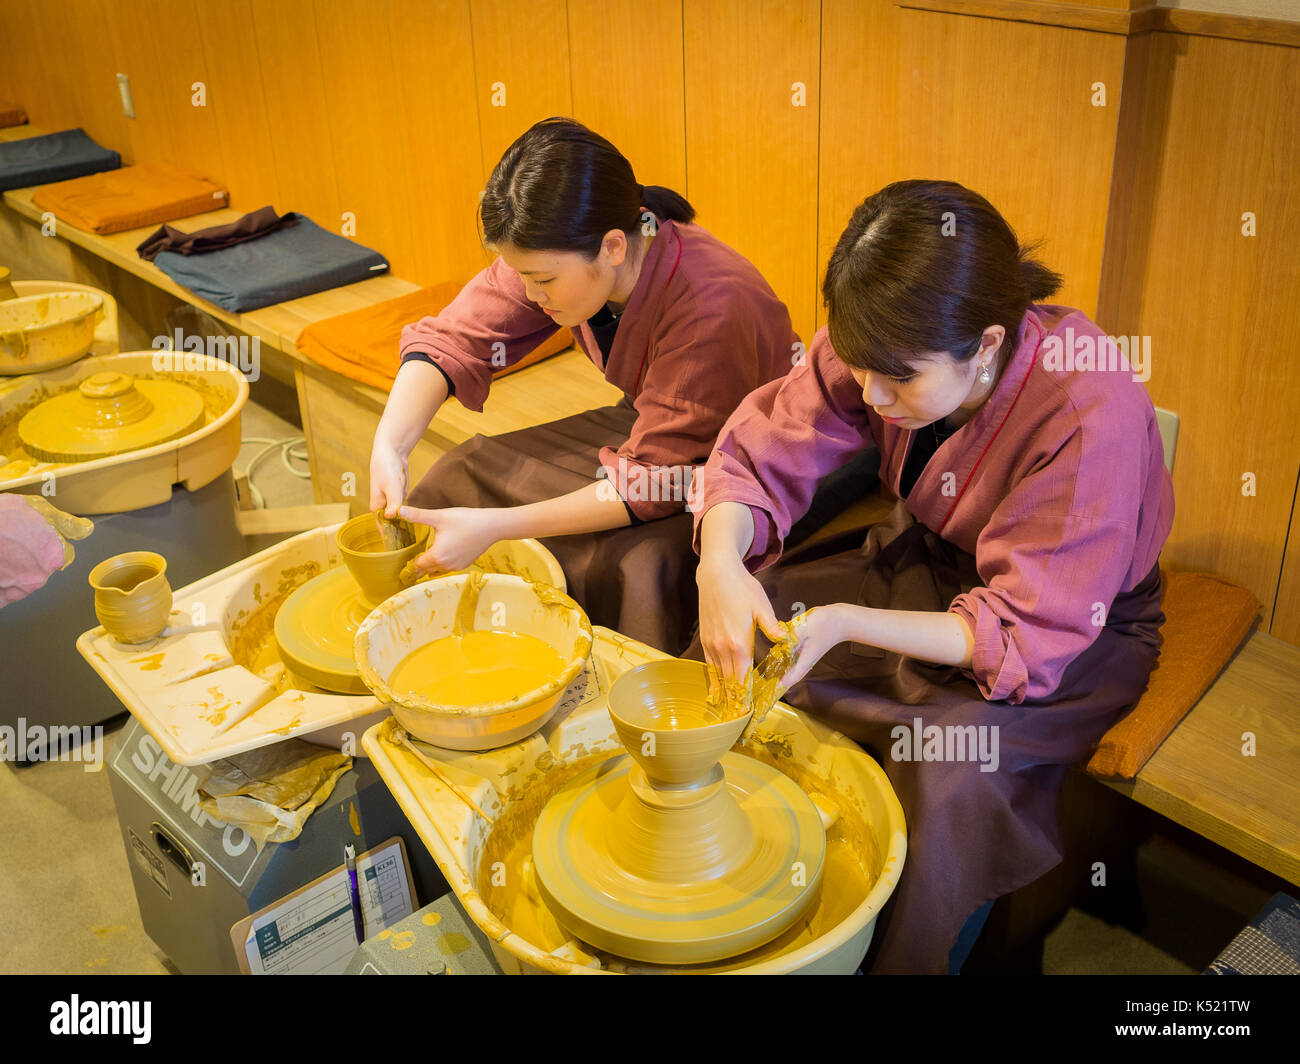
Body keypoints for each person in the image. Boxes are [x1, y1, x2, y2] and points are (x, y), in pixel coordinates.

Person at [690, 179, 1174, 973]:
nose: (872, 398)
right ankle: (733, 894)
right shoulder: (890, 340)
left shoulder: (1092, 414)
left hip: (1072, 628)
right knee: (747, 639)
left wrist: (843, 622)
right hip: (929, 559)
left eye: (899, 381)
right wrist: (717, 559)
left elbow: (1022, 630)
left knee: (949, 773)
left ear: (985, 345)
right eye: (860, 370)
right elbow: (759, 451)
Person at [370, 117, 800, 653]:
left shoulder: (711, 305)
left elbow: (651, 482)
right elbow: (456, 337)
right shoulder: (559, 250)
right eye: (521, 275)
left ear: (614, 247)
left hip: (748, 464)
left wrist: (496, 527)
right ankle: (432, 644)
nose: (530, 292)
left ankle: (608, 700)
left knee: (634, 563)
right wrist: (390, 444)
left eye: (543, 281)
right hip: (657, 427)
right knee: (463, 471)